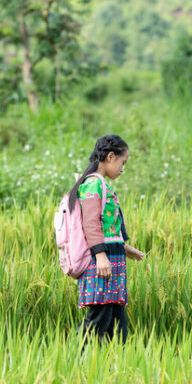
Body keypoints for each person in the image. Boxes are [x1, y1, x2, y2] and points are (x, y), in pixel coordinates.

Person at [67, 134, 145, 344]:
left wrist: (126, 249)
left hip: (112, 258)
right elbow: (90, 224)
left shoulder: (101, 185)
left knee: (117, 321)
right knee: (100, 317)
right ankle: (75, 356)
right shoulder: (93, 184)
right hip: (101, 261)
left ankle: (117, 360)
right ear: (110, 157)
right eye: (123, 162)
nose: (123, 168)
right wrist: (101, 256)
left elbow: (107, 229)